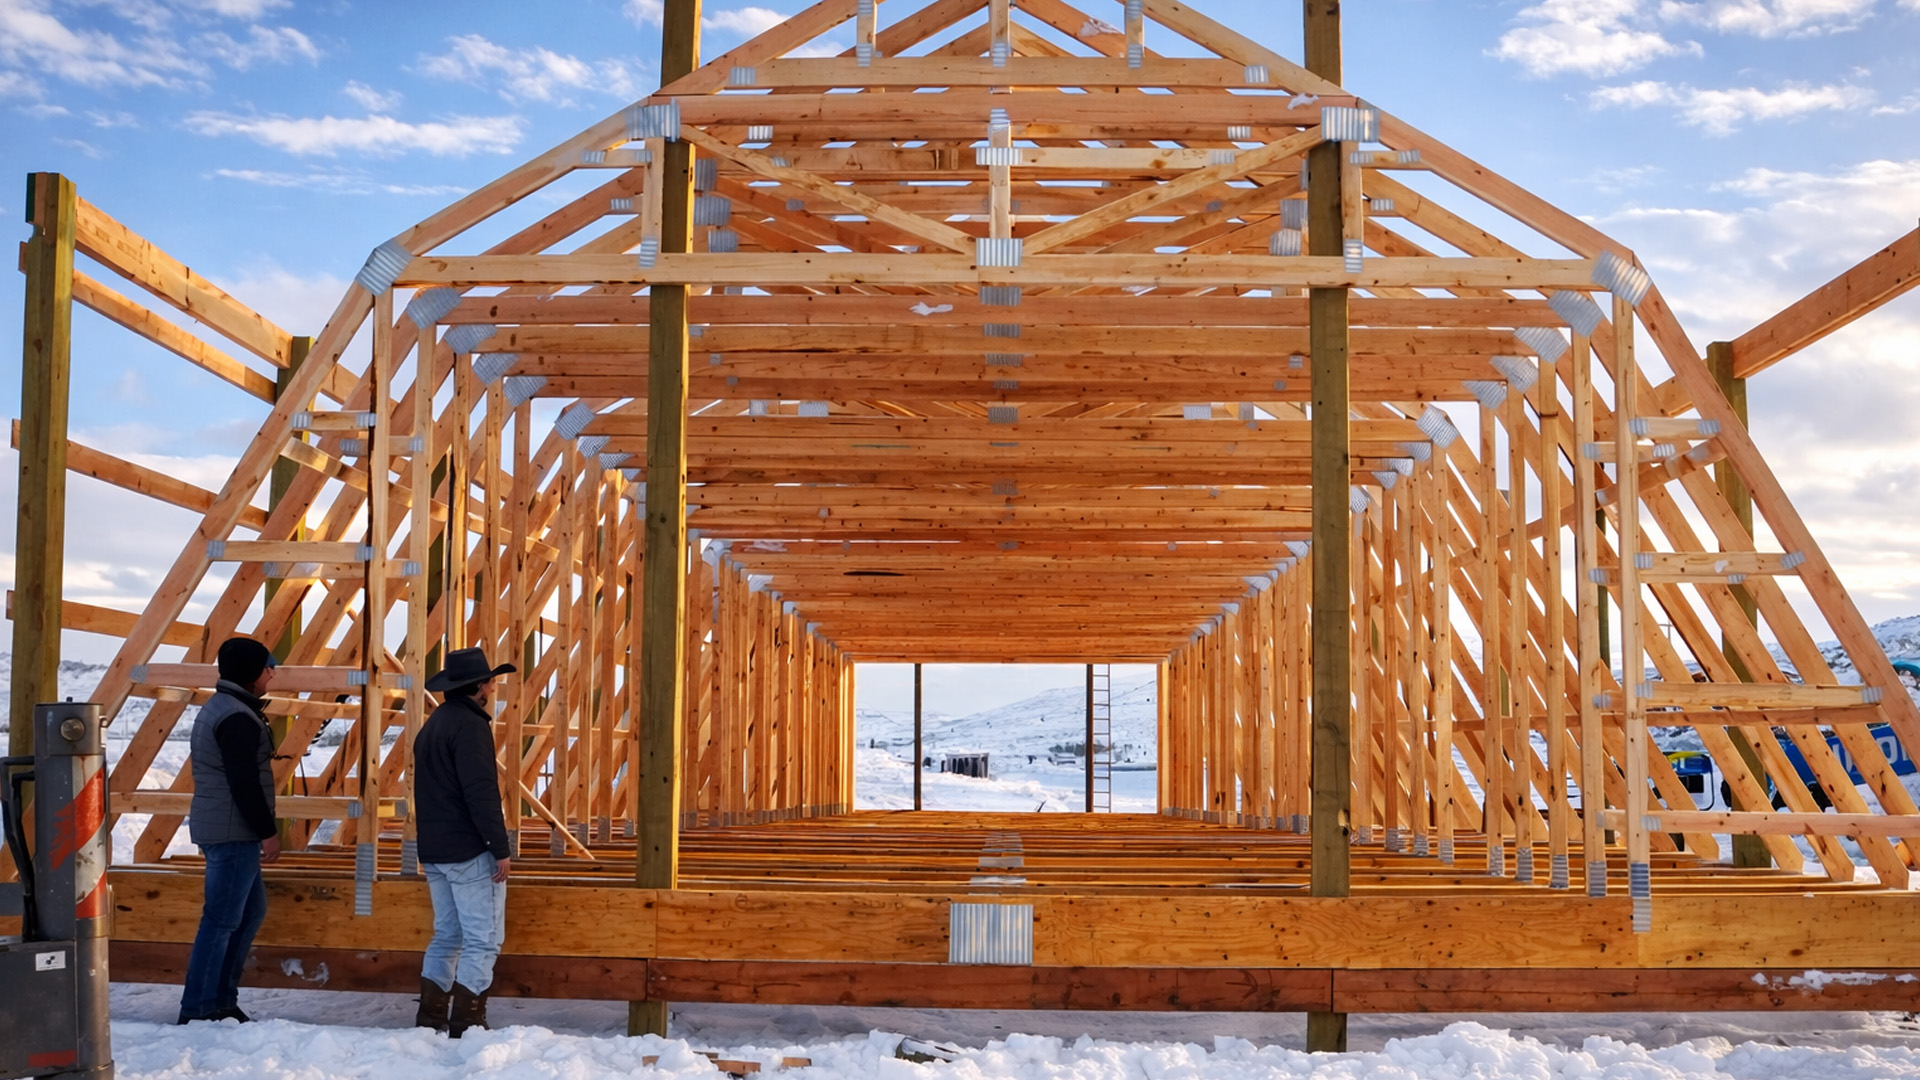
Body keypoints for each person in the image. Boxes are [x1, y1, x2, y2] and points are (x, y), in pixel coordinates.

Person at [412, 646, 517, 1036]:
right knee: (483, 939)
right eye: (491, 680)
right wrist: (499, 847)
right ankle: (467, 1022)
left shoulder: (434, 724)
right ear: (480, 687)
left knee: (448, 935)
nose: (493, 686)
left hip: (436, 850)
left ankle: (431, 1018)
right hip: (469, 851)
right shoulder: (471, 727)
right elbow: (481, 792)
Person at [178, 636, 280, 1024]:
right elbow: (243, 782)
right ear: (252, 674)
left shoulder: (229, 707)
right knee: (221, 920)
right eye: (267, 666)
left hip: (228, 828)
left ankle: (219, 999)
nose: (272, 672)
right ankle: (200, 1008)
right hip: (233, 831)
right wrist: (267, 831)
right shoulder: (236, 717)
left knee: (250, 911)